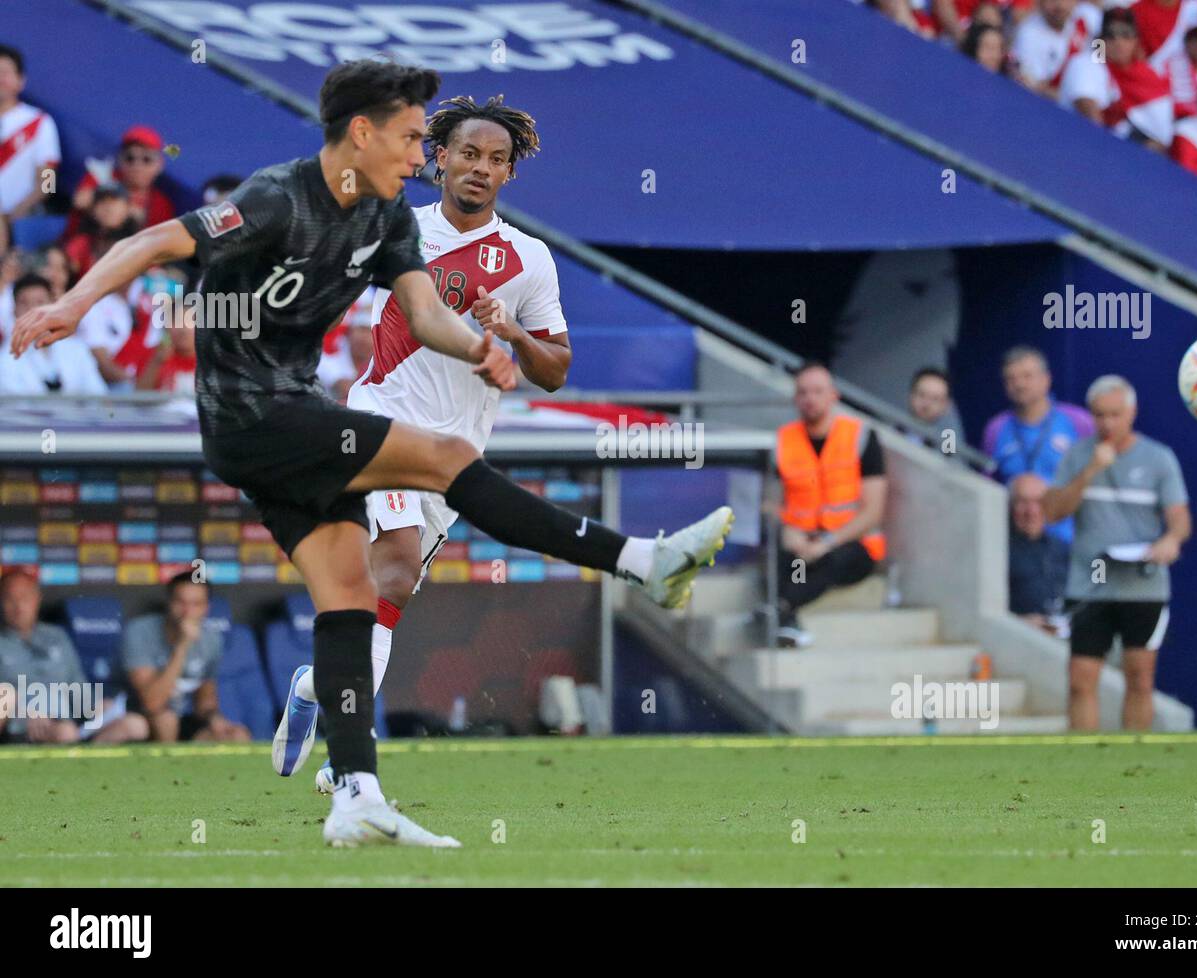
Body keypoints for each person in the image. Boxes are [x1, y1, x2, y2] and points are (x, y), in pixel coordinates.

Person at [10, 60, 732, 849]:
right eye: (417, 139)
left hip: (297, 415)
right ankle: (641, 561)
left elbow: (427, 316)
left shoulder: (390, 223)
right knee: (449, 464)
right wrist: (75, 302)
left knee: (354, 596)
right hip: (263, 416)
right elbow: (158, 239)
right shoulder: (278, 197)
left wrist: (487, 347)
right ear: (363, 132)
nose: (423, 156)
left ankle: (354, 791)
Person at [277, 95, 574, 793]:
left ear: (509, 174)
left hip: (454, 455)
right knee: (399, 564)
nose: (481, 168)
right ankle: (355, 760)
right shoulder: (392, 229)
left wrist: (515, 334)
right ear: (439, 156)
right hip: (380, 421)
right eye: (469, 153)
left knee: (390, 591)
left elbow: (556, 370)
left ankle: (317, 690)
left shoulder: (528, 261)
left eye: (496, 160)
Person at [1043, 375, 1190, 731]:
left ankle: (1133, 763)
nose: (1107, 423)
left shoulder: (1158, 457)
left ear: (1131, 413)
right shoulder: (1078, 455)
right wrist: (1091, 470)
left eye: (1114, 414)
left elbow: (1180, 520)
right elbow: (1053, 510)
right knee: (1081, 678)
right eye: (1099, 415)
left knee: (1139, 677)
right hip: (1089, 584)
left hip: (1142, 584)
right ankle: (1084, 765)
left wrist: (1170, 542)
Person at [773, 363, 887, 648]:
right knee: (781, 554)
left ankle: (781, 608)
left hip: (850, 543)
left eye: (817, 391)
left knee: (834, 560)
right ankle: (784, 615)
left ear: (834, 395)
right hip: (802, 541)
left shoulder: (861, 436)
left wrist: (828, 542)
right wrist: (790, 533)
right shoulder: (783, 441)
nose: (810, 398)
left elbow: (873, 511)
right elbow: (770, 502)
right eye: (803, 392)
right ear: (795, 398)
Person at [0, 571, 145, 744]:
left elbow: (76, 682)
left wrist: (96, 706)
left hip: (67, 722)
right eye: (10, 599)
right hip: (20, 725)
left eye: (25, 598)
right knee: (65, 733)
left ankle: (88, 763)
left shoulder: (56, 636)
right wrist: (23, 715)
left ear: (37, 599)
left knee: (136, 725)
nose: (19, 606)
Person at [981, 346, 1093, 543]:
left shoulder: (1078, 421)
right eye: (1011, 379)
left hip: (1069, 541)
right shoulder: (996, 429)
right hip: (1016, 544)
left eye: (1027, 376)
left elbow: (1097, 477)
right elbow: (988, 487)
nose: (1020, 384)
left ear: (1046, 379)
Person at [122, 573, 246, 742]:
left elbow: (205, 696)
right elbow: (152, 703)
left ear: (206, 608)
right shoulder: (140, 631)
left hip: (182, 717)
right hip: (139, 716)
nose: (188, 611)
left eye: (196, 604)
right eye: (181, 602)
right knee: (166, 720)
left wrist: (214, 718)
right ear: (169, 602)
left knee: (237, 736)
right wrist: (182, 645)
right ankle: (167, 768)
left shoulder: (211, 640)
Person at [1059, 7, 1175, 148]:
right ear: (1100, 40)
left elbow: (1162, 142)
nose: (1118, 41)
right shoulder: (1089, 62)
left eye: (1126, 35)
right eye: (1110, 35)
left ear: (1135, 41)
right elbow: (1090, 116)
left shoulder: (1150, 76)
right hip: (1083, 146)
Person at [0, 273, 105, 394]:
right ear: (14, 310)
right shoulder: (4, 358)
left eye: (40, 302)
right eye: (24, 303)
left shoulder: (77, 349)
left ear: (53, 306)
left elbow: (98, 395)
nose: (32, 310)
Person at [65, 125, 175, 240]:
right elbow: (80, 201)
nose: (137, 166)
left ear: (159, 165)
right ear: (120, 159)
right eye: (130, 158)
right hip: (78, 250)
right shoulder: (103, 175)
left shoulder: (161, 204)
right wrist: (122, 209)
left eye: (146, 159)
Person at [0, 44, 61, 223]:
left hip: (11, 224)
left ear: (21, 81)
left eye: (5, 72)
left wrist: (13, 218)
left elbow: (48, 184)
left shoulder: (41, 122)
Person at [1008, 473, 1069, 633]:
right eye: (1023, 502)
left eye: (1039, 502)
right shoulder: (997, 551)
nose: (1031, 511)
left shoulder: (1062, 549)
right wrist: (1019, 621)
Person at [1012, 0, 1102, 98]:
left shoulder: (1087, 15)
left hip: (1096, 91)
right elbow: (1035, 87)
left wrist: (1098, 62)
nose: (1060, 5)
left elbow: (1104, 46)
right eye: (1052, 1)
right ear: (1040, 3)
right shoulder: (1028, 34)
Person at [905, 366, 965, 448]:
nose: (926, 404)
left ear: (946, 406)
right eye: (922, 395)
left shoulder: (947, 448)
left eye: (935, 399)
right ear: (911, 395)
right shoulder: (889, 428)